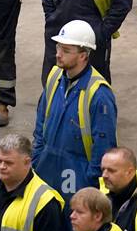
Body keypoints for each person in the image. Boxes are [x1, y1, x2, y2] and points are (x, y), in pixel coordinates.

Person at [32, 19, 117, 217]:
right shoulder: (54, 77)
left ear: (83, 56)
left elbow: (103, 145)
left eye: (66, 50)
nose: (58, 54)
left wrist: (90, 180)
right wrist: (37, 160)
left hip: (78, 175)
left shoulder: (99, 94)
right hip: (47, 169)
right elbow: (40, 124)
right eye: (58, 47)